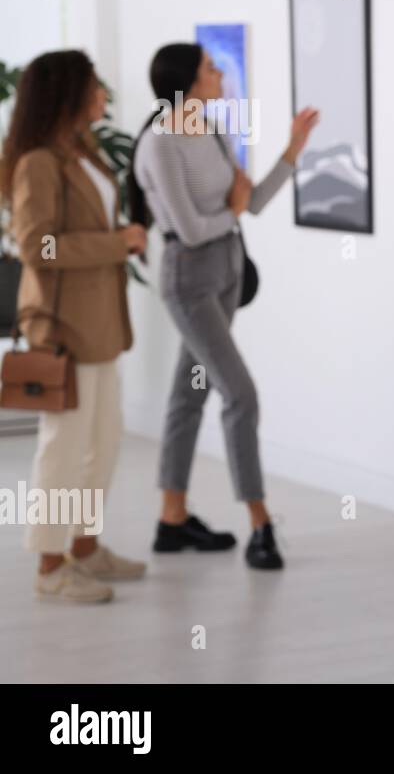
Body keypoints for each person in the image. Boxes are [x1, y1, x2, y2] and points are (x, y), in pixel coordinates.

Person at [129, 43, 318, 569]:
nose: (219, 73)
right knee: (241, 394)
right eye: (211, 68)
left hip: (227, 272)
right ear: (188, 80)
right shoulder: (161, 142)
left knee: (188, 394)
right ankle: (260, 523)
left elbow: (250, 203)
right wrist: (232, 211)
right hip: (188, 280)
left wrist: (292, 149)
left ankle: (171, 520)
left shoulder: (209, 127)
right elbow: (188, 230)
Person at [2, 49, 147, 603]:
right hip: (63, 327)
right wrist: (119, 242)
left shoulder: (80, 151)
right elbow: (35, 246)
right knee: (63, 450)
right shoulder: (38, 161)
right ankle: (48, 567)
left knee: (103, 443)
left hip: (101, 324)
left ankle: (84, 549)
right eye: (94, 86)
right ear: (68, 93)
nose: (103, 95)